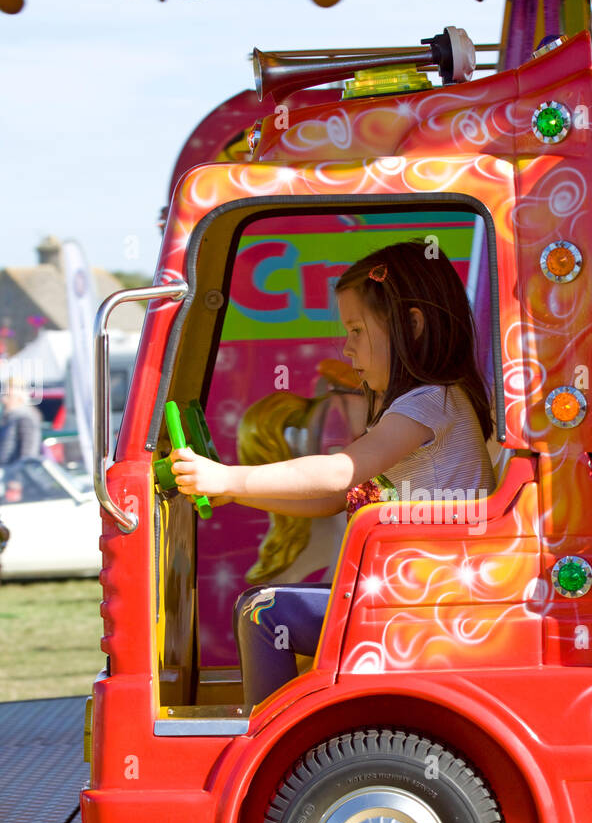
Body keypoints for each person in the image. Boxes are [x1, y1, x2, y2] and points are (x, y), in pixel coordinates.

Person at [171, 239, 496, 705]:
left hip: (425, 602)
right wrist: (236, 493)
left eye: (357, 330)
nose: (347, 348)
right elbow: (330, 498)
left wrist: (230, 477)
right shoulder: (422, 405)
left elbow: (340, 471)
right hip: (413, 594)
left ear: (412, 325)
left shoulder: (430, 401)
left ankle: (273, 741)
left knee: (265, 612)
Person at [0, 378, 42, 465]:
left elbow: (29, 453)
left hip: (13, 474)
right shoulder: (8, 417)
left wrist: (18, 476)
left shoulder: (26, 416)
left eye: (7, 396)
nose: (3, 399)